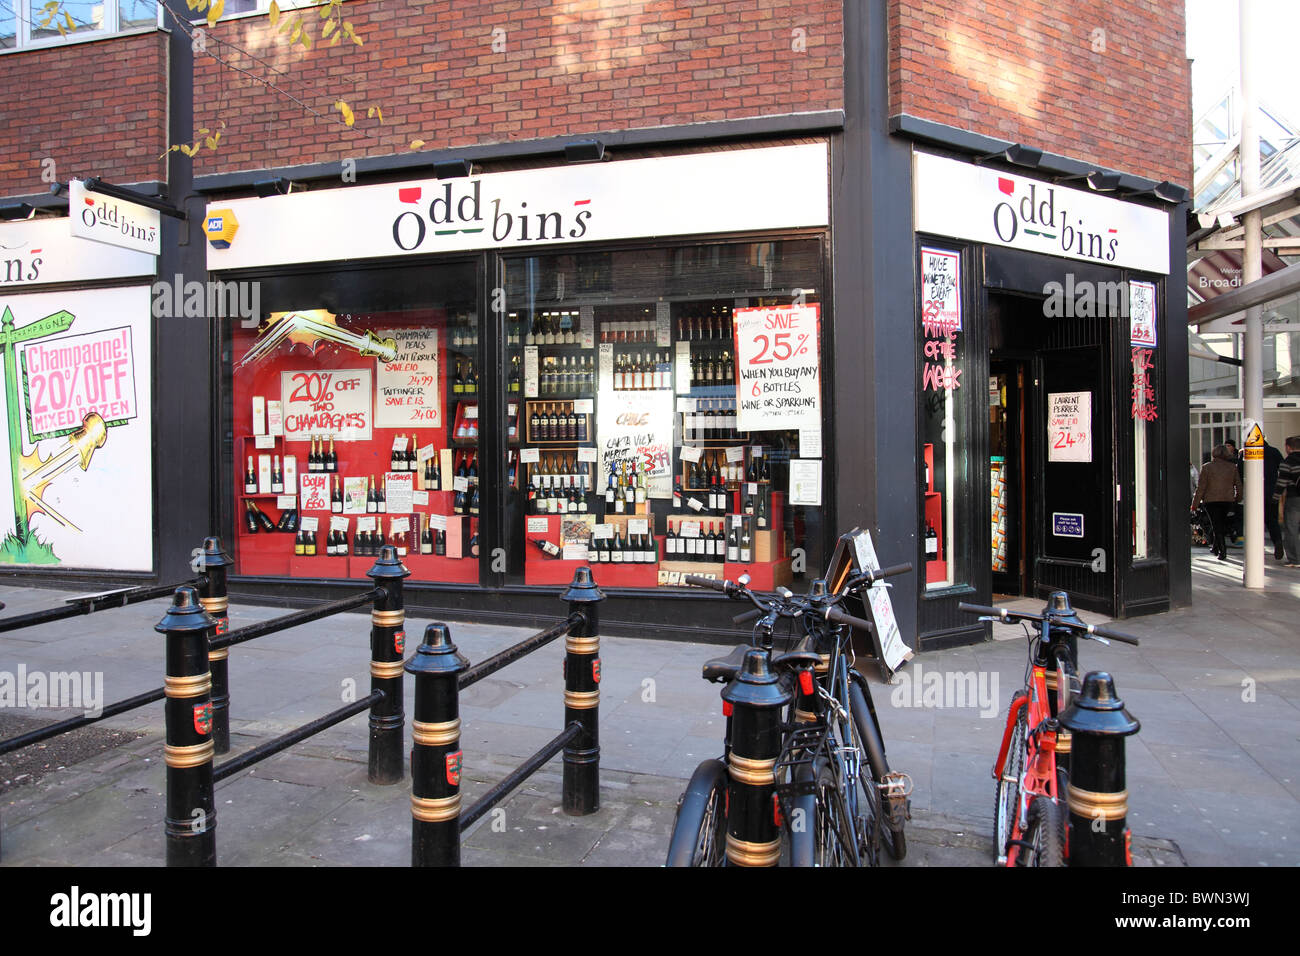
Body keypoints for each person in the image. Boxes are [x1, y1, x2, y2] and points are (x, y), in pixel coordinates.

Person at [1192, 444, 1243, 561]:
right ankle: (1216, 547)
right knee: (1221, 523)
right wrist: (1238, 498)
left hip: (1211, 501)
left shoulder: (1207, 467)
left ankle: (1222, 551)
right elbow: (1239, 485)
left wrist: (1194, 505)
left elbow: (1201, 488)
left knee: (1216, 525)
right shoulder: (1232, 467)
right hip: (1227, 500)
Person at [1273, 436, 1300, 568]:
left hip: (1294, 498)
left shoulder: (1287, 462)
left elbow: (1281, 483)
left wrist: (1275, 498)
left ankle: (1295, 559)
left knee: (1291, 528)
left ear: (1288, 447)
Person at [1263, 438, 1285, 559]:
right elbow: (1282, 468)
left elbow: (1240, 472)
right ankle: (1277, 541)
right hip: (1272, 490)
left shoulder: (1248, 453)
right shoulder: (1274, 451)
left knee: (1253, 520)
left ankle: (1255, 547)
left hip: (1254, 492)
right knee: (1272, 519)